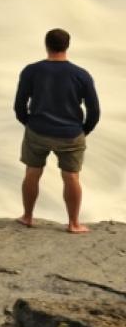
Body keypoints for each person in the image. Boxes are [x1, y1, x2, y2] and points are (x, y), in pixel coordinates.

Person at [14, 28, 100, 233]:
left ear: (46, 45)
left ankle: (27, 217)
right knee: (71, 177)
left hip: (38, 131)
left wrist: (30, 124)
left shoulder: (31, 71)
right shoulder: (81, 75)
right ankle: (74, 223)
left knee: (32, 172)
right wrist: (82, 131)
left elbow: (19, 106)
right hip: (70, 134)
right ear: (67, 46)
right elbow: (94, 111)